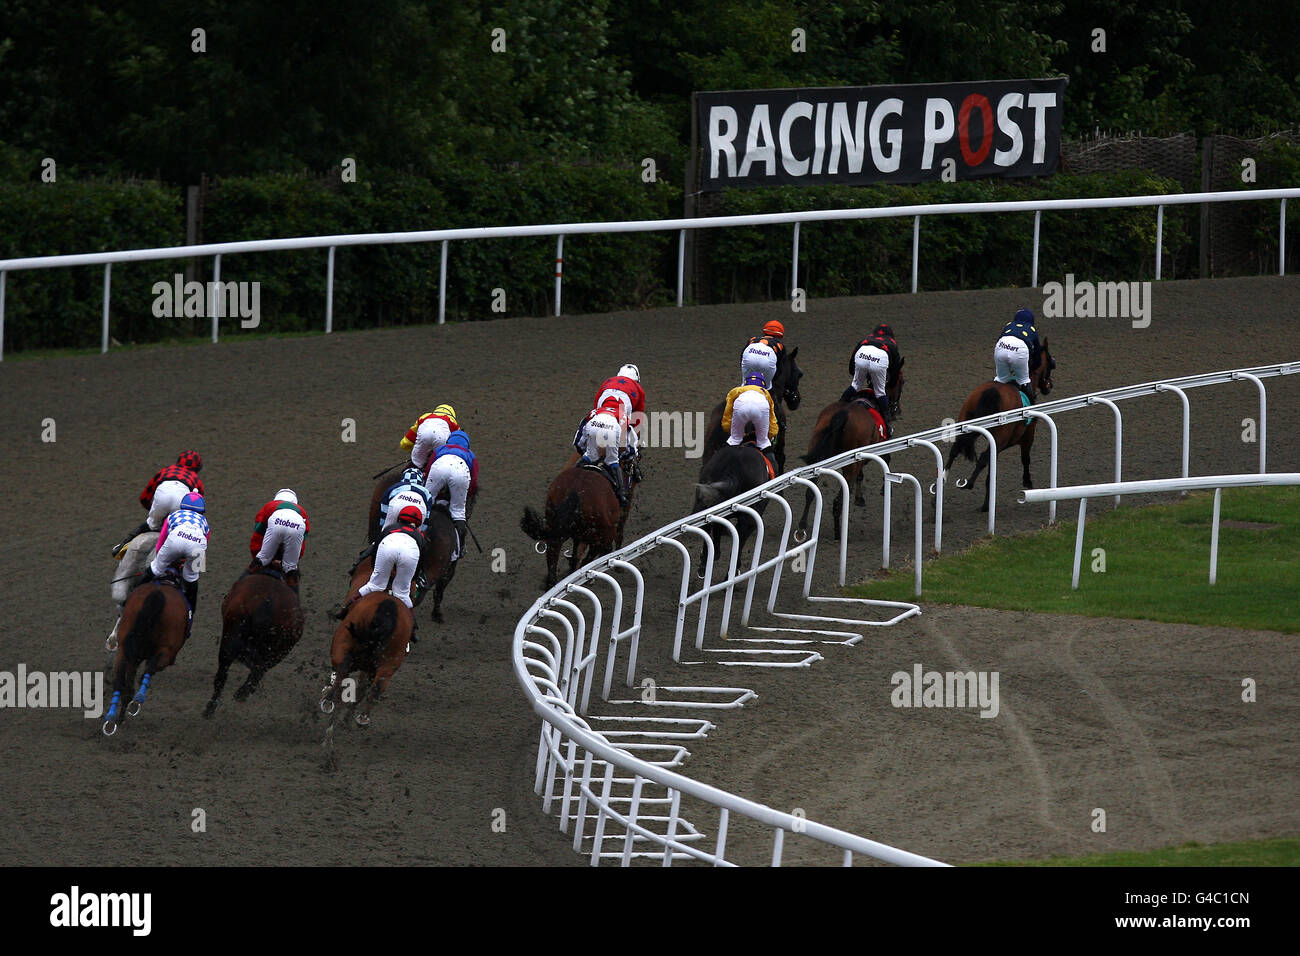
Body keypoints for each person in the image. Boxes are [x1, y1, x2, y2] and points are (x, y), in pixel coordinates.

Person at [112, 450, 204, 556]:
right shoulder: (197, 480)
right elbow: (197, 510)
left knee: (151, 523)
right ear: (197, 468)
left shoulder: (166, 470)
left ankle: (120, 547)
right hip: (181, 502)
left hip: (162, 497)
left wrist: (154, 513)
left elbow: (144, 498)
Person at [137, 492, 209, 621]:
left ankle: (133, 596)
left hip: (176, 538)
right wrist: (192, 567)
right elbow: (205, 546)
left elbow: (161, 541)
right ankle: (190, 614)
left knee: (155, 569)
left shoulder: (174, 515)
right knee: (192, 578)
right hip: (197, 543)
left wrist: (161, 559)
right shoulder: (205, 522)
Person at [357, 505, 425, 615]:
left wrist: (377, 570)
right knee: (402, 594)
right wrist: (412, 578)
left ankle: (347, 606)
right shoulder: (420, 536)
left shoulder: (390, 527)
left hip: (387, 546)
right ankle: (412, 623)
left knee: (374, 586)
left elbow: (375, 550)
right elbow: (420, 563)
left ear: (399, 519)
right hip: (410, 552)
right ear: (417, 524)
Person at [424, 430, 477, 560]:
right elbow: (474, 480)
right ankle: (458, 550)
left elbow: (428, 469)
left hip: (439, 467)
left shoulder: (441, 448)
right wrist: (466, 495)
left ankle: (417, 531)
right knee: (458, 511)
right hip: (460, 471)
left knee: (425, 502)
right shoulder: (470, 454)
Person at [582, 364, 645, 473]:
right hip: (621, 412)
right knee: (624, 448)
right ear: (636, 380)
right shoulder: (638, 388)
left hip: (601, 411)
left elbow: (596, 404)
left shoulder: (608, 381)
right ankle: (620, 487)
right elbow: (637, 420)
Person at [247, 489, 310, 592]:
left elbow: (258, 534)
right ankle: (295, 604)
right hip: (298, 525)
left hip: (276, 520)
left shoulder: (270, 505)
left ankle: (236, 589)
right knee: (291, 569)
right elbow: (301, 545)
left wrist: (258, 558)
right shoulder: (302, 512)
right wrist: (288, 563)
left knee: (260, 560)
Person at [576, 395, 629, 505]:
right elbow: (626, 443)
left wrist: (583, 451)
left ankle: (572, 476)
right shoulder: (623, 414)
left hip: (593, 424)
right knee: (612, 461)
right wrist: (626, 455)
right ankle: (621, 495)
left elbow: (581, 437)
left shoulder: (595, 410)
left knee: (589, 456)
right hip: (612, 428)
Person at [723, 373, 780, 470]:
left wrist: (730, 430)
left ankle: (721, 465)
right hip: (761, 405)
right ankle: (774, 473)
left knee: (734, 440)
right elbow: (772, 421)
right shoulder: (766, 392)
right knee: (763, 442)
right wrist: (770, 434)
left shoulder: (736, 390)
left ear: (745, 383)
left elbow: (727, 415)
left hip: (741, 404)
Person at [842, 330, 894, 436]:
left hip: (862, 353)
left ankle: (839, 405)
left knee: (855, 385)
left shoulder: (864, 340)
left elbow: (851, 368)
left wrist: (862, 376)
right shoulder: (892, 345)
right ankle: (887, 424)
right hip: (880, 358)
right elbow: (895, 373)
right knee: (880, 392)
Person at [994, 307, 1042, 403]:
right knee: (1024, 380)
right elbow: (1037, 357)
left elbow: (998, 341)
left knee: (1001, 379)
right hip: (1019, 348)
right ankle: (1032, 407)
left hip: (1001, 346)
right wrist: (1033, 368)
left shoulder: (1008, 325)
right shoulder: (1032, 329)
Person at [400, 404, 460, 472]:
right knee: (439, 465)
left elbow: (405, 443)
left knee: (416, 463)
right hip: (441, 439)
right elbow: (458, 444)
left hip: (424, 435)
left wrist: (415, 452)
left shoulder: (424, 417)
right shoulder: (452, 422)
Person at [378, 468, 433, 536]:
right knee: (417, 537)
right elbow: (427, 515)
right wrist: (422, 531)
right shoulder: (426, 492)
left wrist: (382, 526)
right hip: (419, 509)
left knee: (384, 534)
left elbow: (384, 509)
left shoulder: (394, 487)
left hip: (397, 504)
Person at [741, 320, 786, 389]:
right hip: (766, 363)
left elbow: (742, 357)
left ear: (764, 332)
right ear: (780, 336)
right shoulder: (780, 345)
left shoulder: (752, 339)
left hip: (749, 360)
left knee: (745, 384)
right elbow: (780, 366)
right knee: (766, 388)